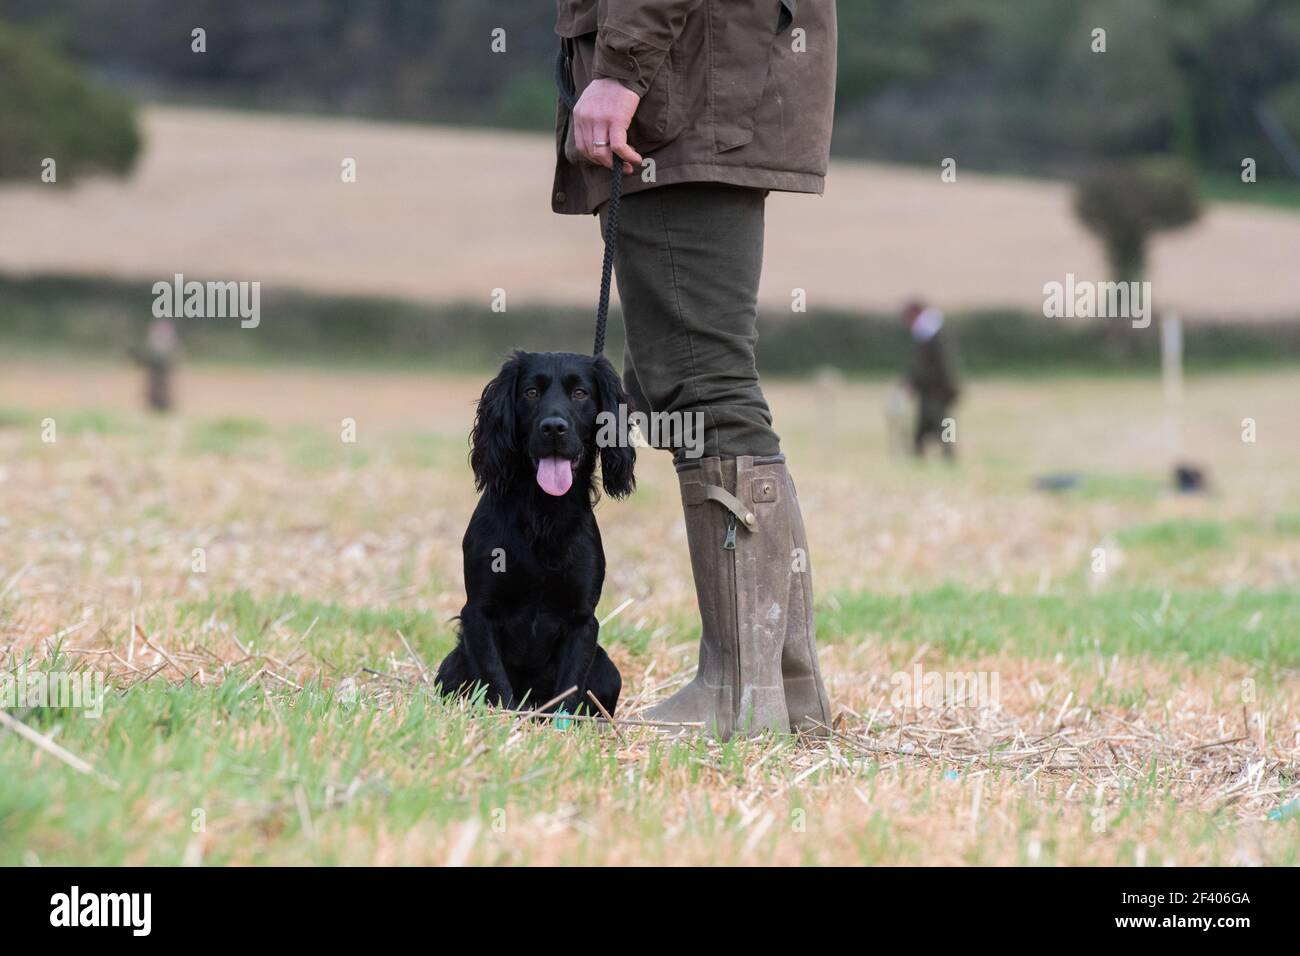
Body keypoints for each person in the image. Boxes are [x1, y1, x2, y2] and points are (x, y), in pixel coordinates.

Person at [551, 0, 837, 739]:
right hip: (699, 94)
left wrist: (619, 71)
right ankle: (783, 688)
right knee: (688, 383)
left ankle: (740, 691)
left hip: (681, 102)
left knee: (704, 390)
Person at [902, 300, 960, 460]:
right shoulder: (928, 334)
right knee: (928, 426)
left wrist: (913, 382)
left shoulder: (931, 335)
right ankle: (920, 454)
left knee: (946, 425)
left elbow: (939, 366)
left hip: (938, 391)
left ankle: (949, 456)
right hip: (930, 390)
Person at [132, 318, 180, 413]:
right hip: (159, 362)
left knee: (160, 383)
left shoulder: (159, 329)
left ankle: (160, 403)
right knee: (158, 382)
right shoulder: (163, 329)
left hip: (160, 362)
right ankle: (157, 403)